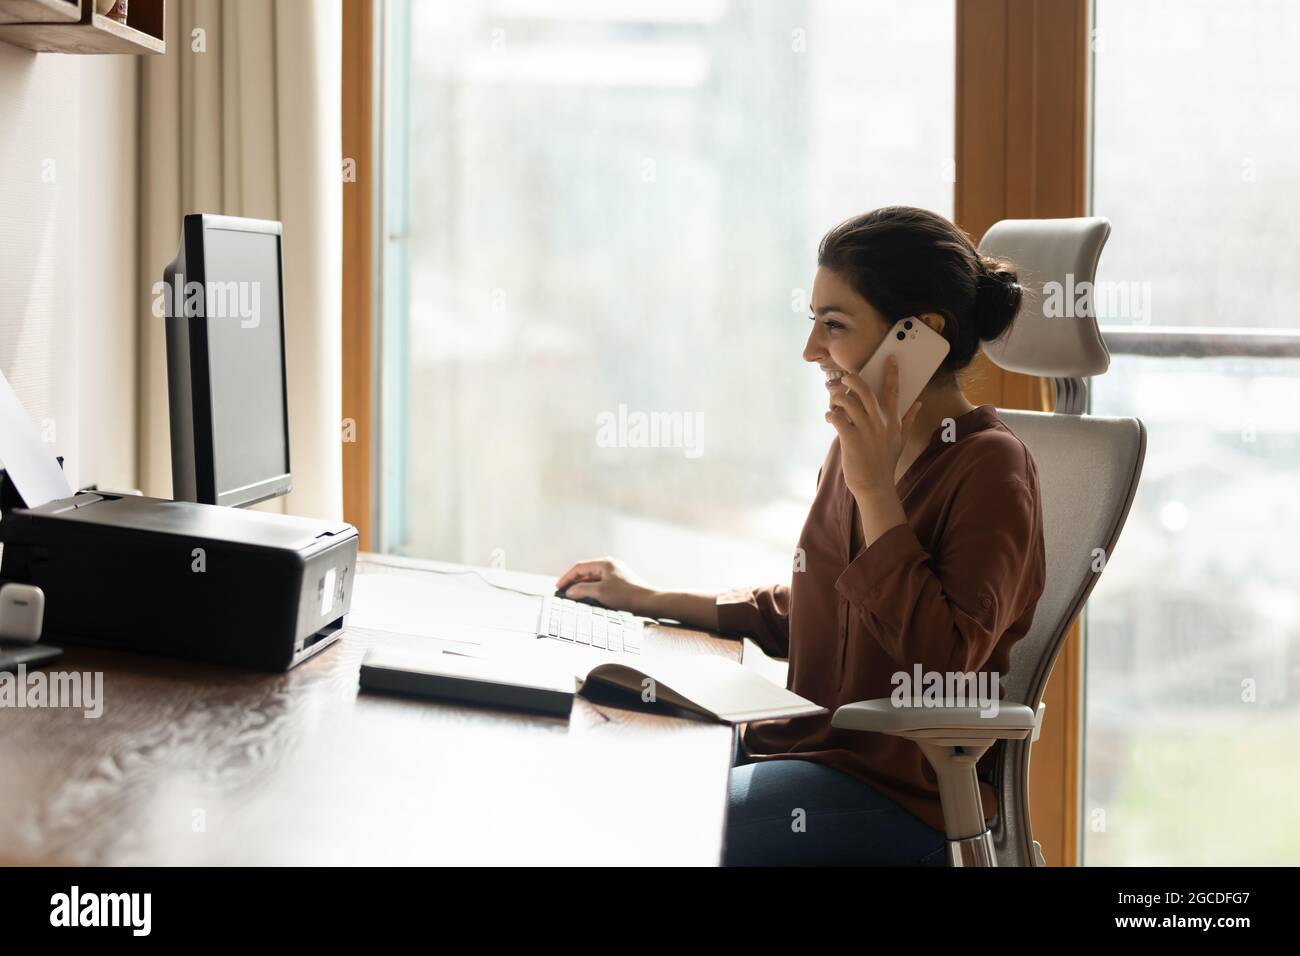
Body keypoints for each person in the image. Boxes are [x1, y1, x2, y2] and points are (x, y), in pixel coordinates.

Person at [555, 206, 1047, 865]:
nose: (812, 349)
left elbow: (944, 663)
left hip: (895, 794)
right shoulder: (857, 444)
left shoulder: (991, 468)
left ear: (922, 333)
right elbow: (817, 608)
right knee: (588, 760)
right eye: (812, 321)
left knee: (648, 827)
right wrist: (648, 597)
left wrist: (875, 495)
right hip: (794, 749)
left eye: (834, 325)